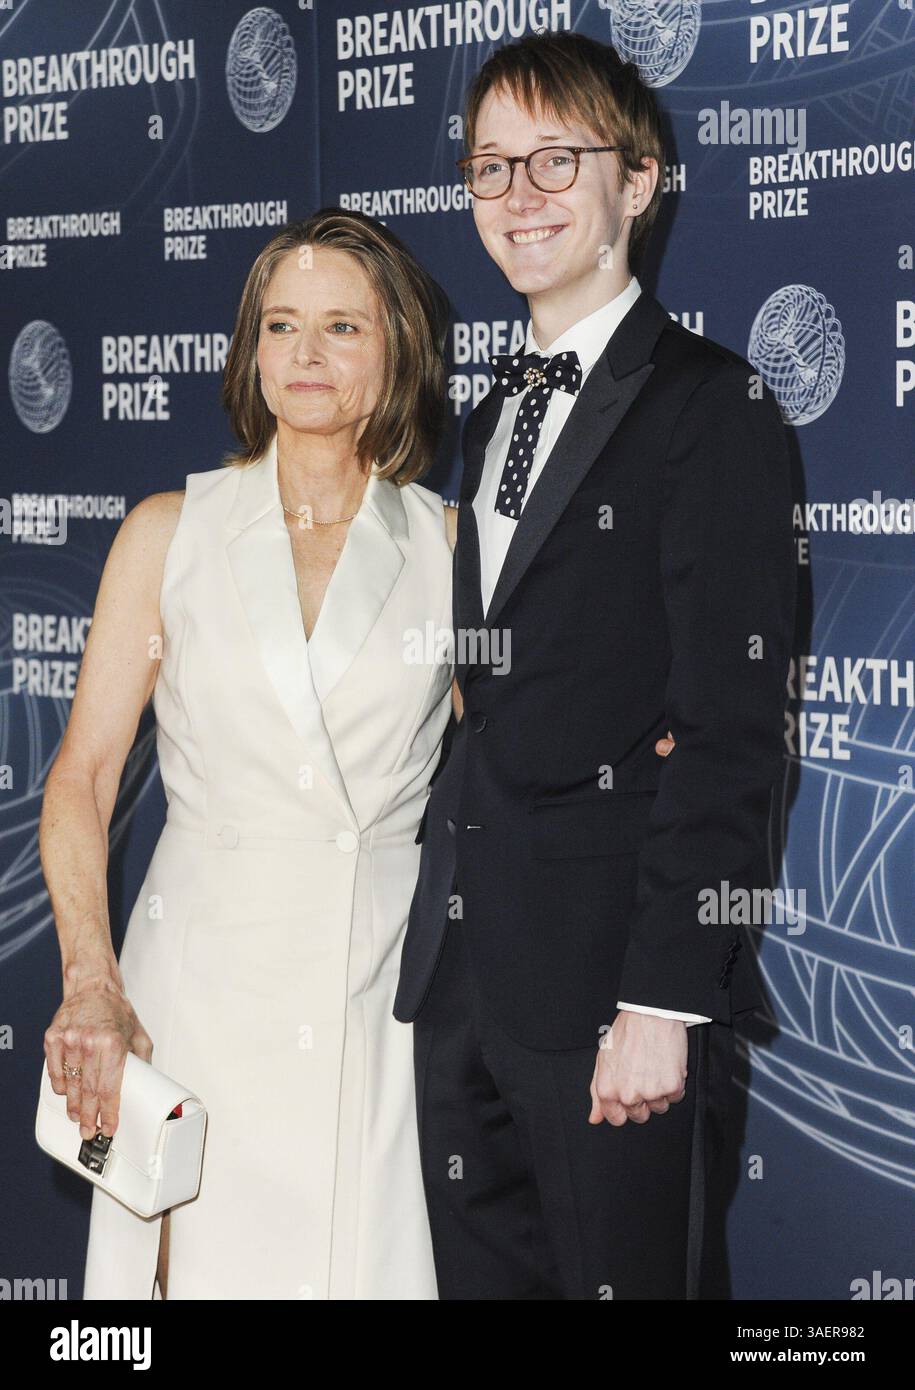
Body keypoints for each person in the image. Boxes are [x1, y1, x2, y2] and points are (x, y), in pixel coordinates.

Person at [395, 31, 796, 1300]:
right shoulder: (490, 414)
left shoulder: (712, 408)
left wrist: (667, 1001)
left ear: (640, 179)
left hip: (617, 998)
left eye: (555, 160)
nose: (518, 197)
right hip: (468, 983)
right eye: (491, 167)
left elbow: (730, 725)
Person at [39, 209, 460, 1300]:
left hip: (371, 1007)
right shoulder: (169, 533)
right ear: (252, 351)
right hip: (194, 998)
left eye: (341, 328)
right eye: (281, 326)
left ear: (398, 349)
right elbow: (82, 775)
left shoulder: (450, 549)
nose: (306, 356)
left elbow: (539, 751)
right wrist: (92, 980)